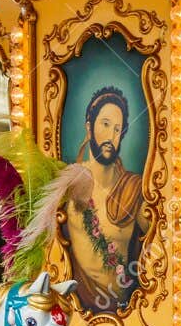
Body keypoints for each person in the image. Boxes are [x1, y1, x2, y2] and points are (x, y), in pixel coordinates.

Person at [62, 85, 149, 312]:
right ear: (89, 128)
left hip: (128, 313)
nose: (111, 136)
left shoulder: (133, 189)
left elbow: (163, 240)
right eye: (106, 125)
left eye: (118, 129)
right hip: (75, 314)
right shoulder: (68, 184)